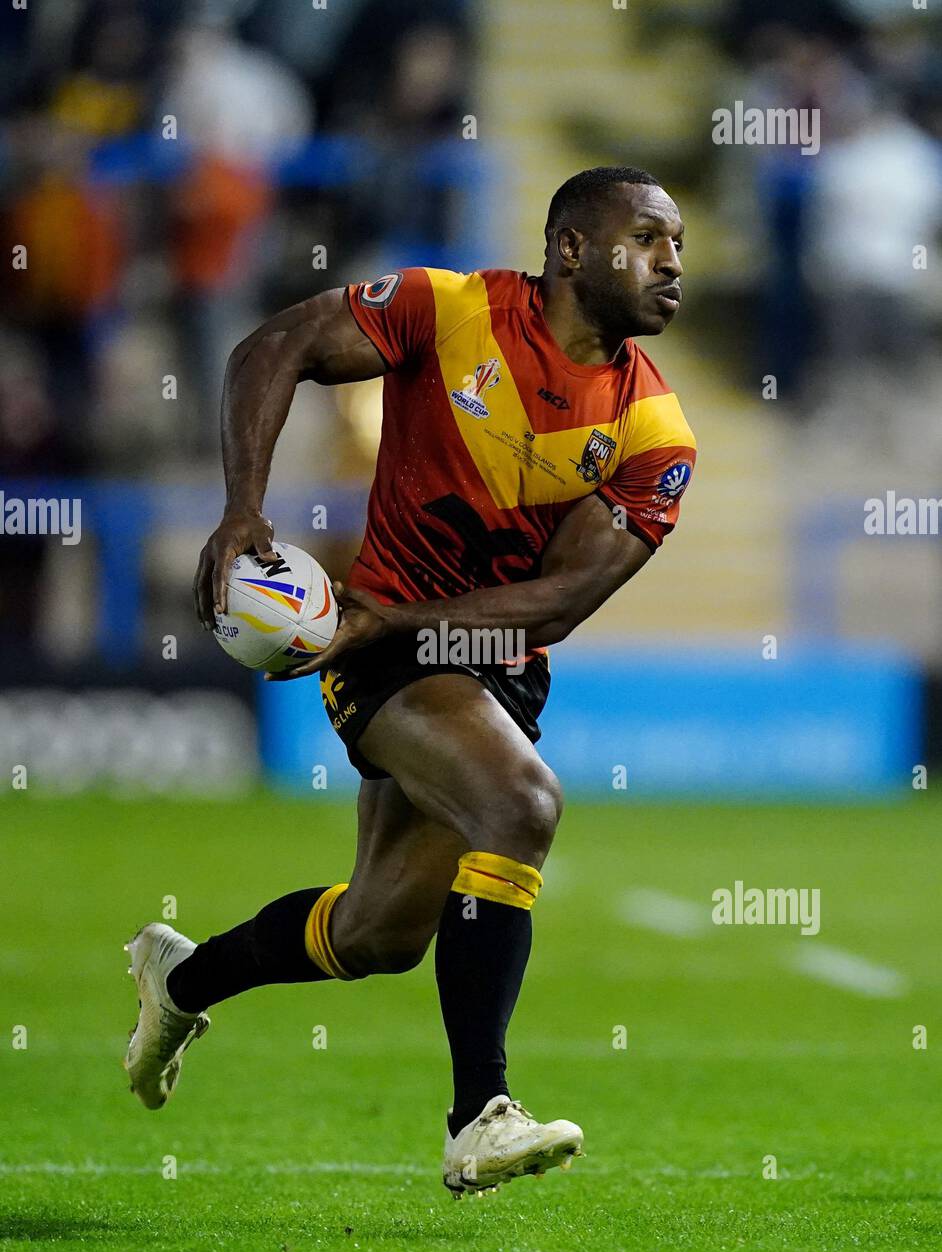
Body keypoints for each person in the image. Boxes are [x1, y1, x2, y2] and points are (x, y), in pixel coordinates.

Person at [124, 166, 697, 1196]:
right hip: (379, 649)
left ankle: (181, 978)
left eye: (681, 249)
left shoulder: (656, 435)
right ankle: (480, 1112)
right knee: (521, 802)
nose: (672, 265)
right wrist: (244, 511)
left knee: (379, 929)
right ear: (571, 249)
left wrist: (403, 621)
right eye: (650, 239)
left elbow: (561, 599)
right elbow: (275, 345)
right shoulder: (449, 308)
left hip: (480, 658)